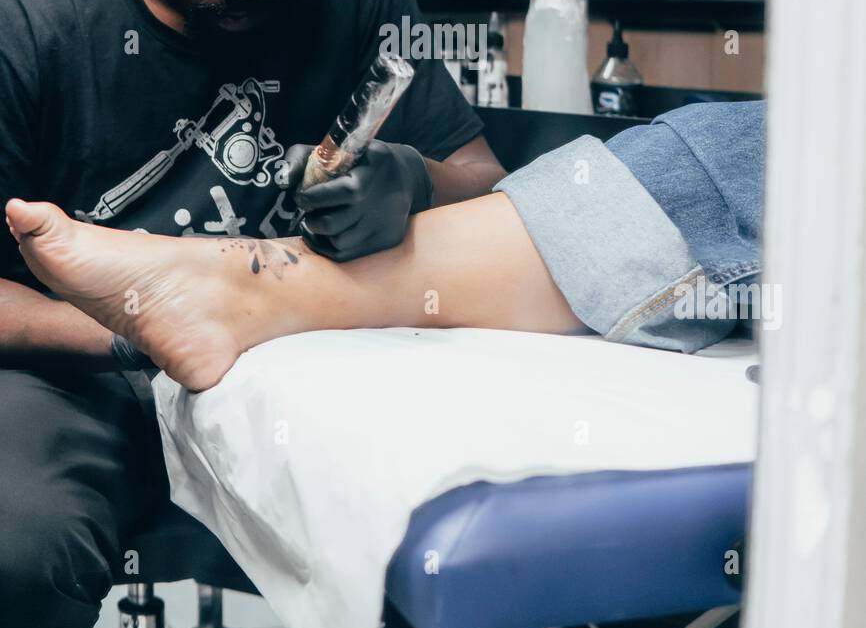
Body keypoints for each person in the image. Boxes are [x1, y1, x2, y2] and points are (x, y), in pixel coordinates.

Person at [0, 0, 502, 628]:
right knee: (13, 555)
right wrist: (128, 334)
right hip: (83, 382)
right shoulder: (31, 22)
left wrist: (409, 180)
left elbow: (490, 190)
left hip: (307, 369)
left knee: (457, 547)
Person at [6, 99, 766, 396]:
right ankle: (249, 289)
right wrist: (116, 340)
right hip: (66, 383)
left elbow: (484, 178)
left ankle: (253, 289)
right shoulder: (35, 12)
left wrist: (412, 177)